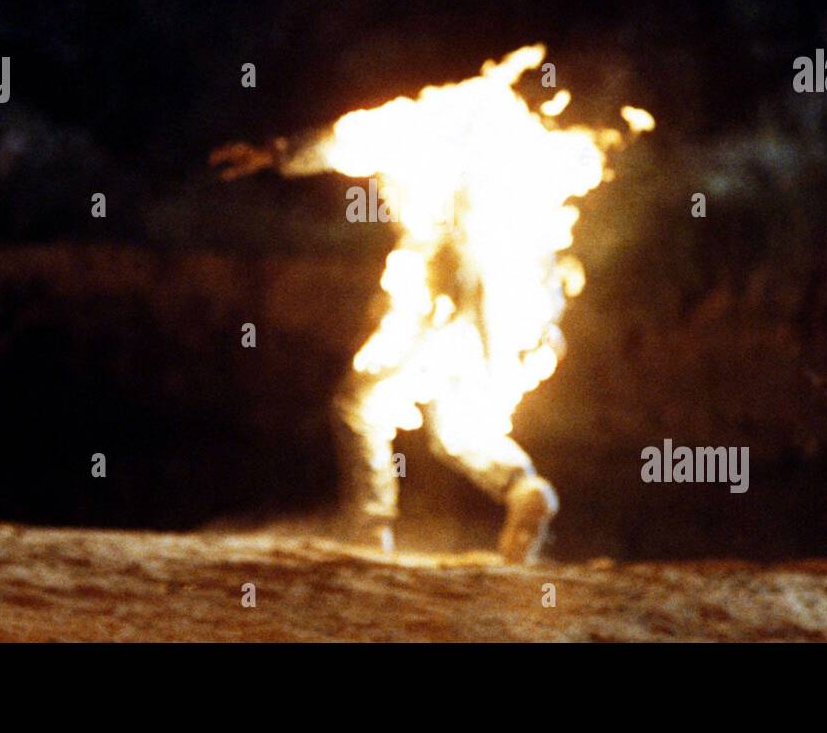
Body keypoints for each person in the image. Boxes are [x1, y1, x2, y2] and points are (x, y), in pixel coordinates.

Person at [211, 46, 642, 563]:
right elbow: (542, 251)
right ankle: (526, 490)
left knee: (360, 404)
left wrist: (275, 154)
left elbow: (345, 143)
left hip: (440, 294)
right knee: (459, 426)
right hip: (504, 310)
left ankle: (370, 535)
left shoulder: (427, 120)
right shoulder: (517, 134)